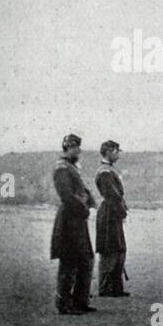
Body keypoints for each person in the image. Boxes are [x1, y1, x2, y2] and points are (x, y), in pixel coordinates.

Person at [52, 134, 96, 315]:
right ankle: (64, 304)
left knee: (85, 260)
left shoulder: (71, 167)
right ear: (69, 148)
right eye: (76, 148)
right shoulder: (62, 168)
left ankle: (79, 302)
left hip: (77, 220)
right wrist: (85, 210)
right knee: (69, 262)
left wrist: (92, 204)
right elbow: (67, 196)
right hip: (70, 221)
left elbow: (83, 190)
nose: (79, 151)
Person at [95, 140, 128, 297]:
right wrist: (122, 211)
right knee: (110, 249)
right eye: (116, 151)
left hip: (113, 213)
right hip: (109, 214)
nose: (118, 155)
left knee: (118, 249)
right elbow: (112, 196)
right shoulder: (105, 172)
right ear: (108, 152)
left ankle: (115, 288)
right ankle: (106, 288)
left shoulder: (108, 170)